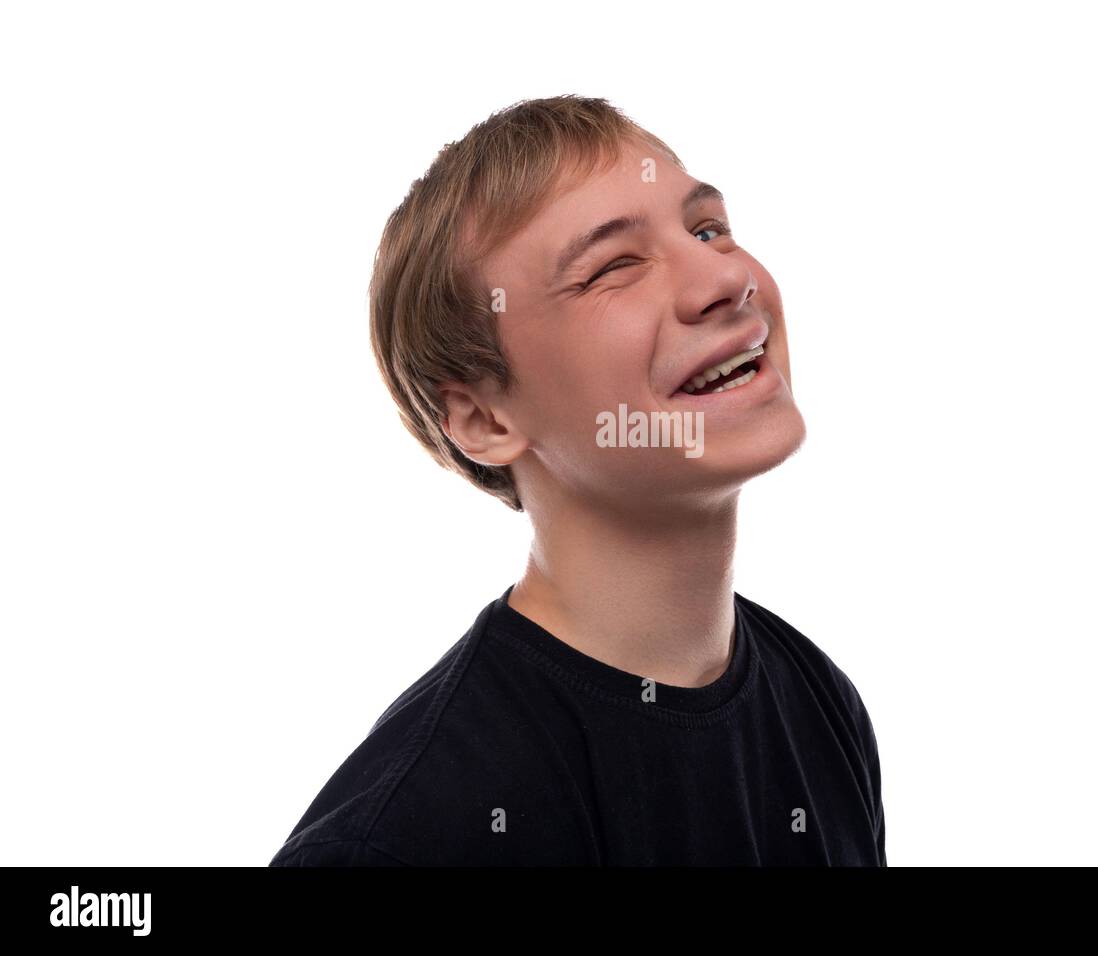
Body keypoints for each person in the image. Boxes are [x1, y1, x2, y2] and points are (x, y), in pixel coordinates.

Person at [269, 95, 886, 866]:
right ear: (484, 419)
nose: (723, 282)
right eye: (614, 268)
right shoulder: (413, 835)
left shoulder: (815, 698)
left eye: (707, 229)